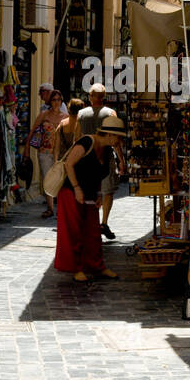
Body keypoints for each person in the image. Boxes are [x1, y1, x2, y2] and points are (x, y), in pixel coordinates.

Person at [55, 117, 128, 282]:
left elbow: (97, 174)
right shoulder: (87, 142)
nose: (119, 141)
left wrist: (99, 193)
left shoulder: (106, 149)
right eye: (118, 137)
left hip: (89, 193)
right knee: (74, 231)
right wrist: (76, 188)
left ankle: (97, 265)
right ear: (109, 134)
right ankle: (76, 268)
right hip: (71, 192)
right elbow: (69, 164)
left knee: (93, 232)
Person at [78, 85, 126, 239]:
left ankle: (89, 223)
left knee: (88, 192)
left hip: (85, 157)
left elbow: (77, 138)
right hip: (105, 156)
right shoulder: (110, 113)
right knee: (107, 192)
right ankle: (103, 222)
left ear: (90, 97)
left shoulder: (81, 114)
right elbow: (116, 140)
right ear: (104, 97)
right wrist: (121, 160)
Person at [24, 88, 64, 219]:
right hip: (44, 152)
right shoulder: (44, 115)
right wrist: (26, 150)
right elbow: (32, 131)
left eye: (58, 100)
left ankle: (61, 208)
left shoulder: (65, 117)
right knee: (47, 179)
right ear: (50, 101)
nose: (56, 102)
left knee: (59, 180)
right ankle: (50, 208)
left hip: (60, 153)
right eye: (54, 100)